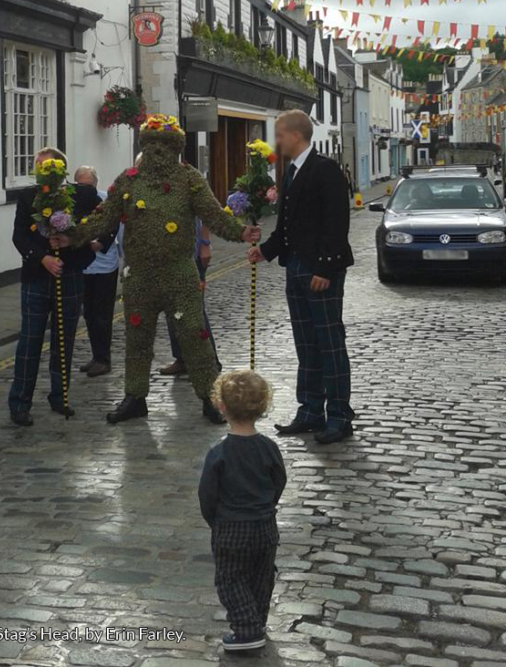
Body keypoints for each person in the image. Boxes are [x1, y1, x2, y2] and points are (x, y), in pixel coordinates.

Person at [57, 114, 260, 424]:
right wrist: (72, 236)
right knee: (137, 338)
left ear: (176, 147)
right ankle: (135, 397)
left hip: (180, 272)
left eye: (165, 145)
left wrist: (241, 231)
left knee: (194, 335)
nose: (158, 152)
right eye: (152, 145)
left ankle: (210, 397)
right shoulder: (129, 180)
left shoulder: (189, 179)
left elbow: (213, 214)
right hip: (139, 275)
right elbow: (103, 217)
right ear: (145, 146)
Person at [248, 110, 355, 445]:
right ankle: (310, 410)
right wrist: (265, 251)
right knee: (306, 344)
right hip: (294, 267)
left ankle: (339, 416)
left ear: (296, 135)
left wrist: (325, 268)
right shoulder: (292, 172)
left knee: (329, 344)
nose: (276, 141)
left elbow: (337, 222)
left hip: (319, 270)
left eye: (279, 135)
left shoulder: (325, 169)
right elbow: (287, 227)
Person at [8, 147, 102, 426]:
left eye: (47, 167)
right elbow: (19, 237)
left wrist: (81, 240)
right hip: (37, 277)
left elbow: (103, 221)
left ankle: (60, 396)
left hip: (69, 274)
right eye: (38, 167)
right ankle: (20, 402)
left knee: (64, 340)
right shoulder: (28, 197)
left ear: (61, 169)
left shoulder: (81, 195)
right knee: (30, 340)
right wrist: (43, 258)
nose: (41, 172)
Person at [198, 369, 287, 652]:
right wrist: (267, 505)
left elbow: (207, 495)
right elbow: (279, 480)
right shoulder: (269, 447)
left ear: (221, 406)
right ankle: (257, 622)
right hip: (265, 526)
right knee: (262, 577)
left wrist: (215, 521)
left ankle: (247, 630)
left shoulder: (219, 453)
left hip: (231, 526)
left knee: (231, 578)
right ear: (262, 407)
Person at [74, 165, 120, 378]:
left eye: (89, 185)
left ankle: (104, 359)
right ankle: (96, 356)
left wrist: (101, 242)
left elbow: (114, 224)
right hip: (84, 267)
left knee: (102, 314)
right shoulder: (72, 202)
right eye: (81, 185)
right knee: (90, 314)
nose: (85, 190)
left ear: (96, 184)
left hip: (104, 266)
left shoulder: (105, 201)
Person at [159, 219, 221, 376]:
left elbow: (206, 211)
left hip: (191, 253)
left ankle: (210, 361)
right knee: (172, 308)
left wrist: (205, 243)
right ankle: (182, 359)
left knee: (194, 309)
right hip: (166, 254)